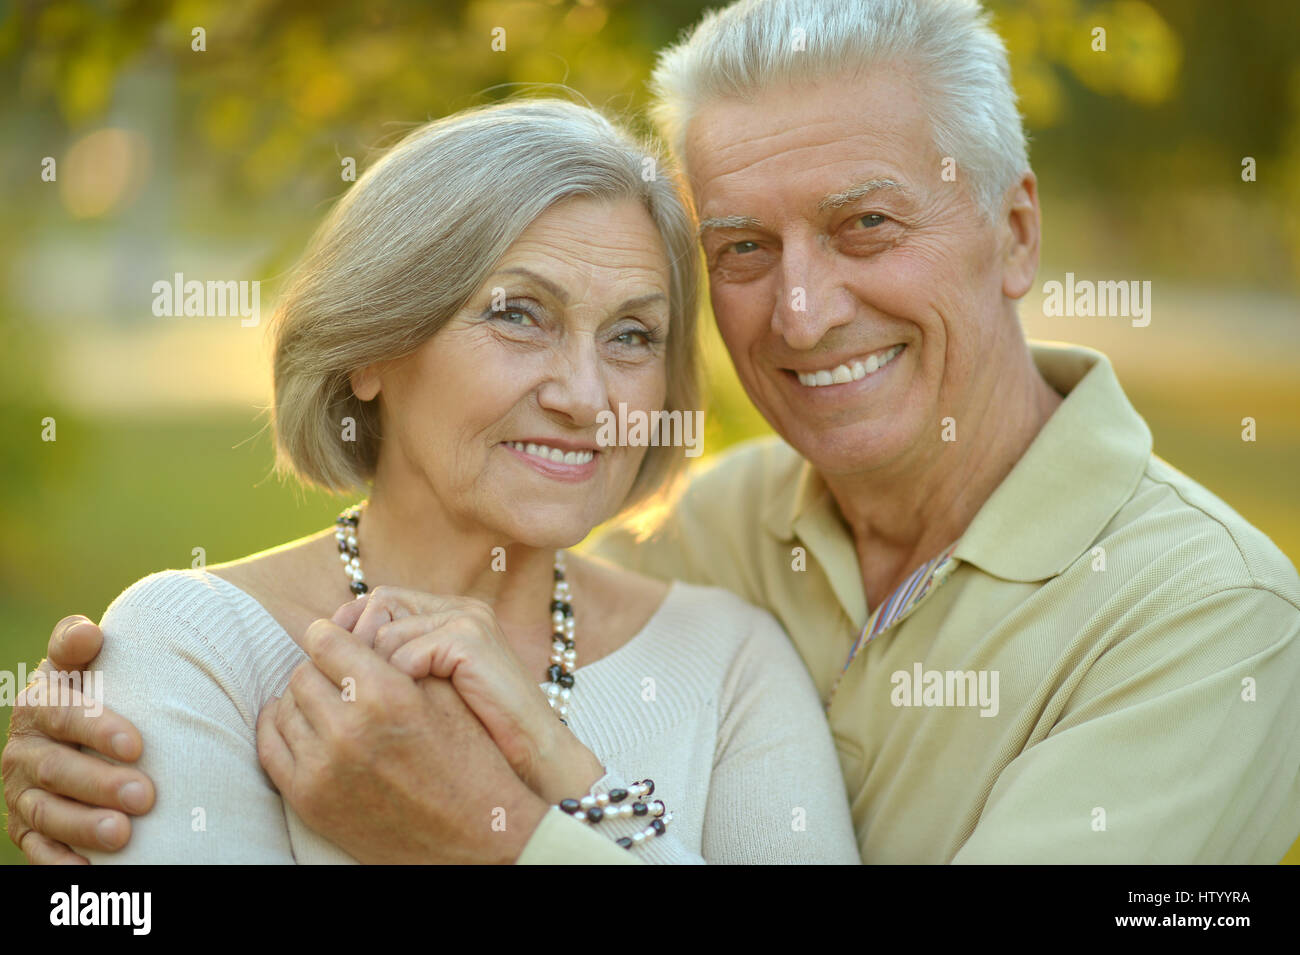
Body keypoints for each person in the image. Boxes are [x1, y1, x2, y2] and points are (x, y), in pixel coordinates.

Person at [7, 0, 1299, 865]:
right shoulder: (726, 535)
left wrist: (510, 819)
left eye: (867, 225)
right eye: (741, 247)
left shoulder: (1215, 621)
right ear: (372, 345)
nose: (801, 308)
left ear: (1016, 233)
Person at [0, 96, 859, 864]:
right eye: (519, 314)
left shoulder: (729, 661)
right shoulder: (196, 648)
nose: (587, 397)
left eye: (632, 335)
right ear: (373, 345)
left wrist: (521, 799)